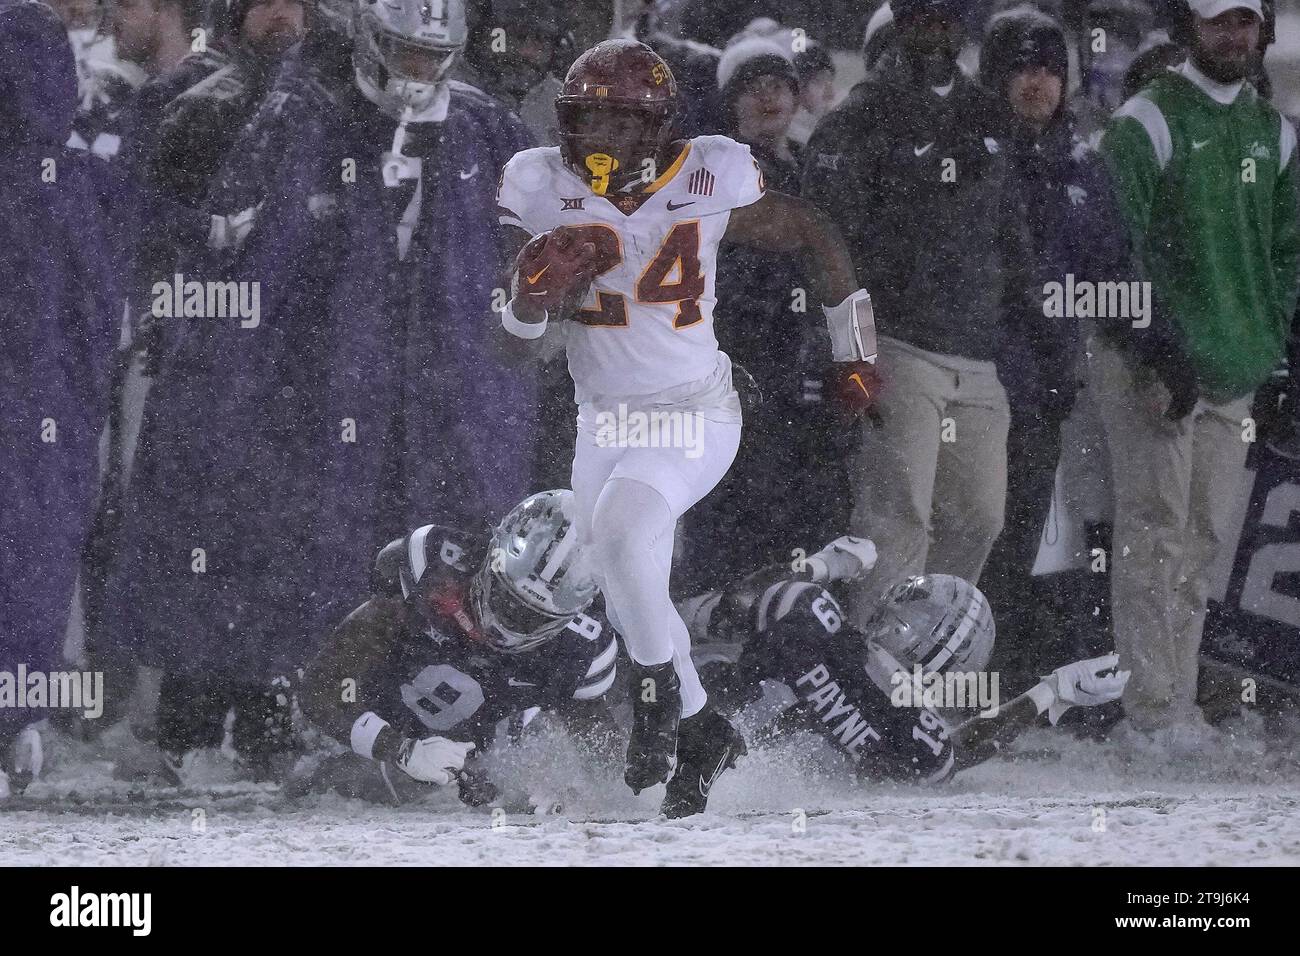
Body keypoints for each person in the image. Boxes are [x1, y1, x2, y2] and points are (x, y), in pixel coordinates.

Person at [100, 0, 538, 777]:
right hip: (311, 389)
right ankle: (244, 728)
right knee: (283, 561)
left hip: (435, 398)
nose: (418, 73)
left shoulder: (486, 130)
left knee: (429, 561)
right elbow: (233, 251)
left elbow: (530, 250)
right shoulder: (293, 117)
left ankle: (395, 733)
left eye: (430, 56)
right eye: (403, 53)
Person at [493, 38, 878, 798]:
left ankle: (657, 703)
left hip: (695, 407)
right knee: (622, 576)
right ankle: (706, 730)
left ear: (655, 128)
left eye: (615, 123)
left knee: (628, 535)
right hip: (601, 416)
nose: (593, 139)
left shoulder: (706, 172)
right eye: (584, 120)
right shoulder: (537, 183)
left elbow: (815, 234)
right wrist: (531, 300)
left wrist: (853, 351)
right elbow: (508, 350)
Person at [1095, 0, 1298, 749]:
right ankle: (1150, 713)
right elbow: (1113, 249)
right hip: (1154, 365)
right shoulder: (1147, 122)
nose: (1234, 36)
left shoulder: (1273, 133)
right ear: (1193, 28)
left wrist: (1267, 350)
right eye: (1219, 22)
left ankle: (1175, 703)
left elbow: (1286, 254)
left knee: (1204, 540)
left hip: (1231, 372)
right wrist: (1155, 351)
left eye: (1246, 22)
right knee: (1155, 533)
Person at [803, 0, 1034, 628]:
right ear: (901, 20)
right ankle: (866, 679)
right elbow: (826, 246)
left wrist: (1035, 333)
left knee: (979, 519)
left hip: (979, 357)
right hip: (898, 347)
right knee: (896, 522)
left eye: (946, 11)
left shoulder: (990, 113)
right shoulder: (858, 119)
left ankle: (925, 664)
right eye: (921, 10)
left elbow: (1012, 233)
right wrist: (845, 354)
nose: (935, 21)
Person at [681, 546, 1130, 786]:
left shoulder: (815, 612)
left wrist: (822, 565)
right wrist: (1051, 691)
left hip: (669, 720)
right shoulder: (918, 737)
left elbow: (726, 606)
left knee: (711, 652)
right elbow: (962, 752)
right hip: (738, 779)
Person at [975, 5, 1132, 693]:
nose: (1037, 84)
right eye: (1022, 69)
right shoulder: (971, 155)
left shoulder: (1081, 164)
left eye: (1049, 69)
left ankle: (1003, 682)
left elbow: (1114, 269)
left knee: (1020, 541)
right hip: (975, 380)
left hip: (1044, 387)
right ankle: (944, 681)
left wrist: (1160, 349)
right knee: (967, 534)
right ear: (995, 78)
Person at [295, 491, 621, 808]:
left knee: (511, 776)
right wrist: (399, 749)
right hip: (378, 723)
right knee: (323, 784)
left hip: (476, 756)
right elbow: (320, 688)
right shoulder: (435, 572)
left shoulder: (580, 649)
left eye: (531, 617)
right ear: (492, 559)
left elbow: (609, 766)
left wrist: (585, 792)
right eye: (506, 600)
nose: (509, 622)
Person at [0, 0, 120, 798]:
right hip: (46, 415)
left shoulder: (69, 182)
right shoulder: (73, 181)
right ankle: (17, 724)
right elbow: (100, 310)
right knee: (33, 565)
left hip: (42, 408)